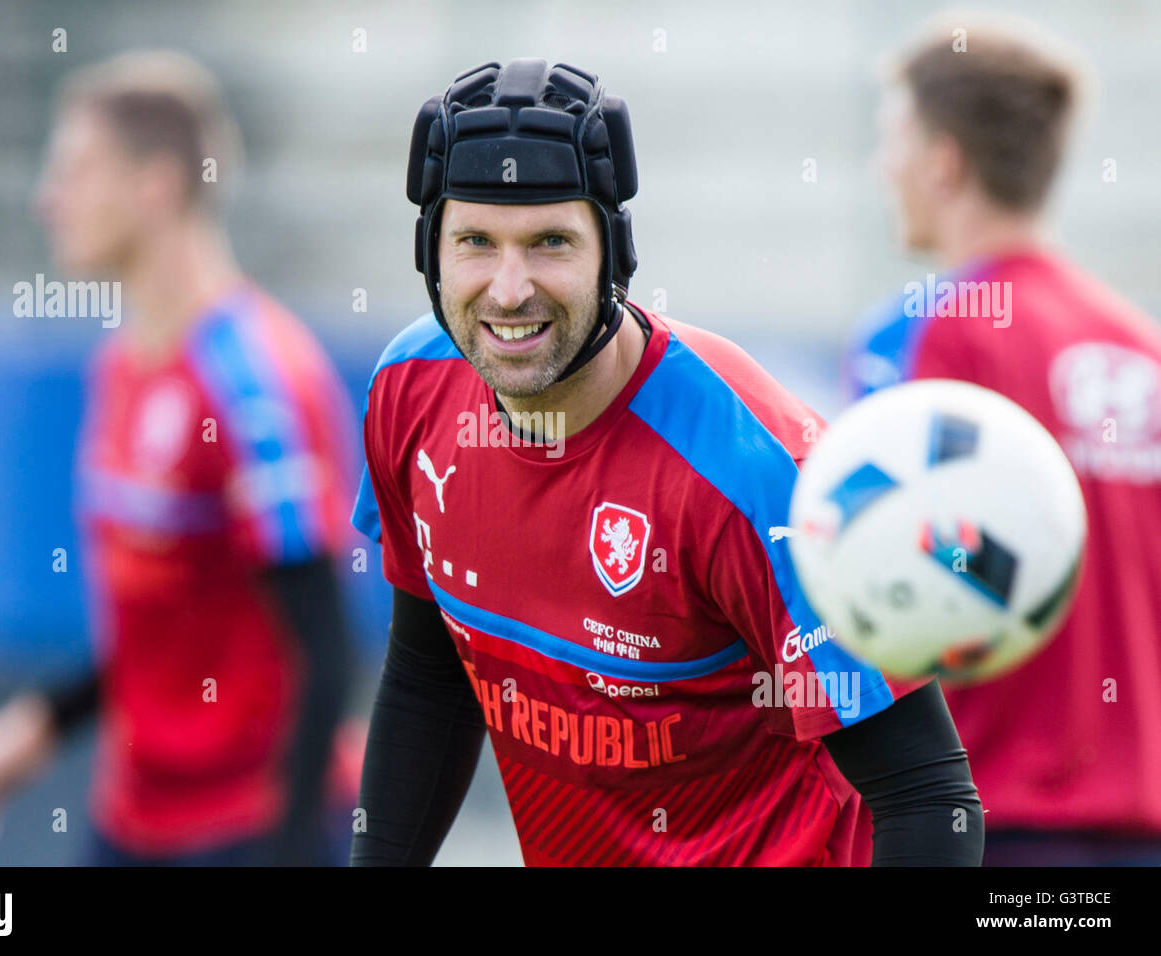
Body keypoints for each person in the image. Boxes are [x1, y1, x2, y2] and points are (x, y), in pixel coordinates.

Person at [349, 58, 983, 866]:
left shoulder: (758, 471)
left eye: (550, 242)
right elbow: (429, 681)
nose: (509, 291)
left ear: (614, 253)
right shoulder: (408, 390)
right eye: (475, 241)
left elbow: (929, 796)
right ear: (430, 254)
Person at [0, 50, 356, 866]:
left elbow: (325, 653)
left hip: (243, 833)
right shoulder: (121, 367)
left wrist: (292, 846)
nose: (48, 199)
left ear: (155, 184)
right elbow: (168, 623)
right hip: (130, 825)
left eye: (76, 169)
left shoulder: (254, 381)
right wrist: (32, 731)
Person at [847, 16, 1161, 865]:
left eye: (894, 141)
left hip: (987, 824)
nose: (884, 169)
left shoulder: (926, 335)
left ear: (943, 161)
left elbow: (868, 567)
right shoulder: (1140, 348)